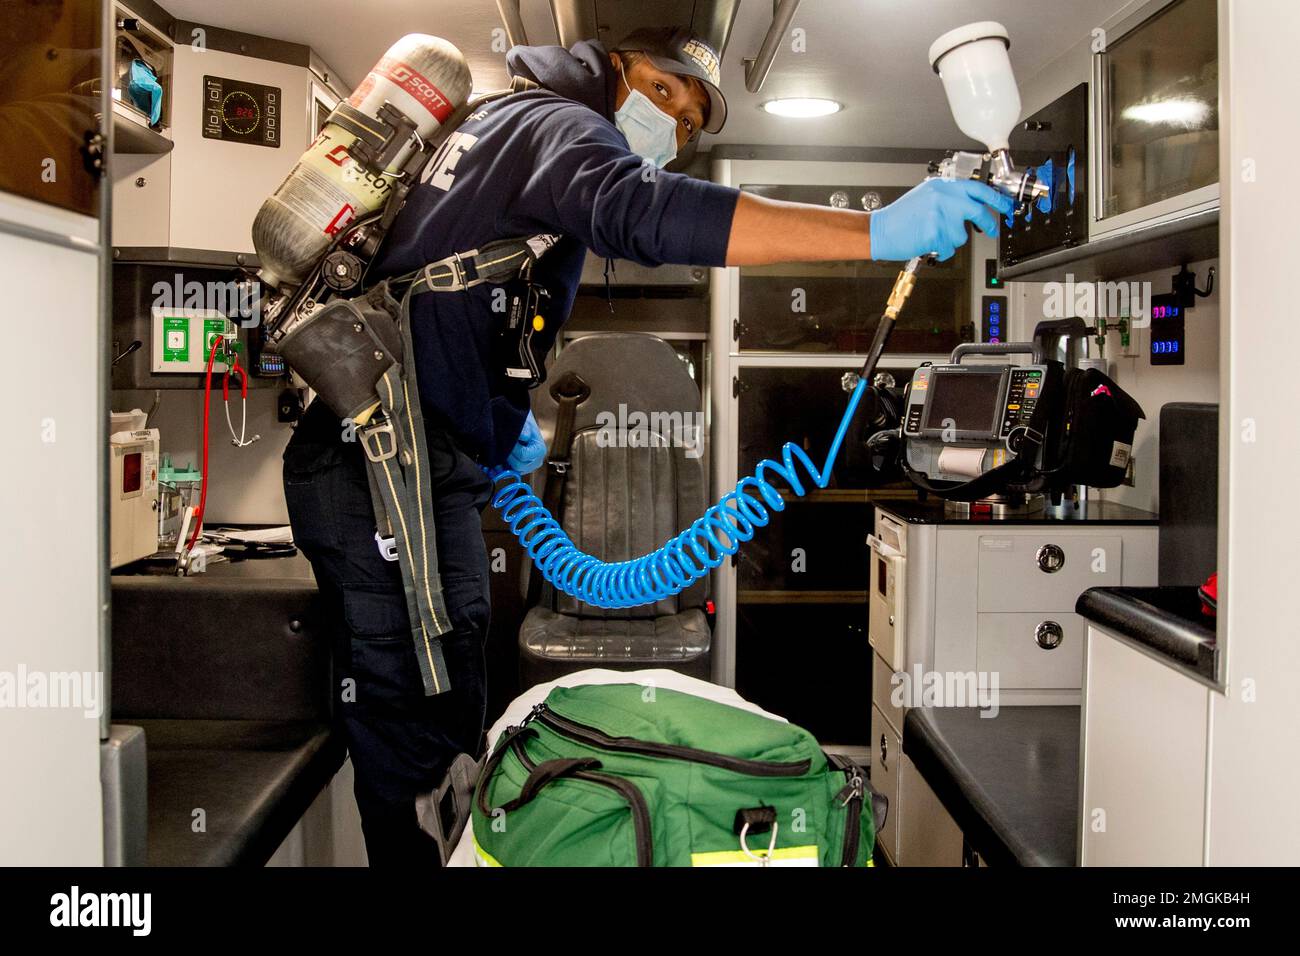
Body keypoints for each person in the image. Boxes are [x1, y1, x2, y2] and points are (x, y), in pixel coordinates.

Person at [282, 25, 1013, 866]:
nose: (675, 124)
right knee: (414, 728)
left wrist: (498, 415)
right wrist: (874, 231)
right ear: (615, 67)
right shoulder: (558, 121)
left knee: (445, 712)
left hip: (419, 464)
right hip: (379, 470)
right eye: (664, 93)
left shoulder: (505, 133)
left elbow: (446, 292)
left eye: (693, 123)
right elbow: (643, 211)